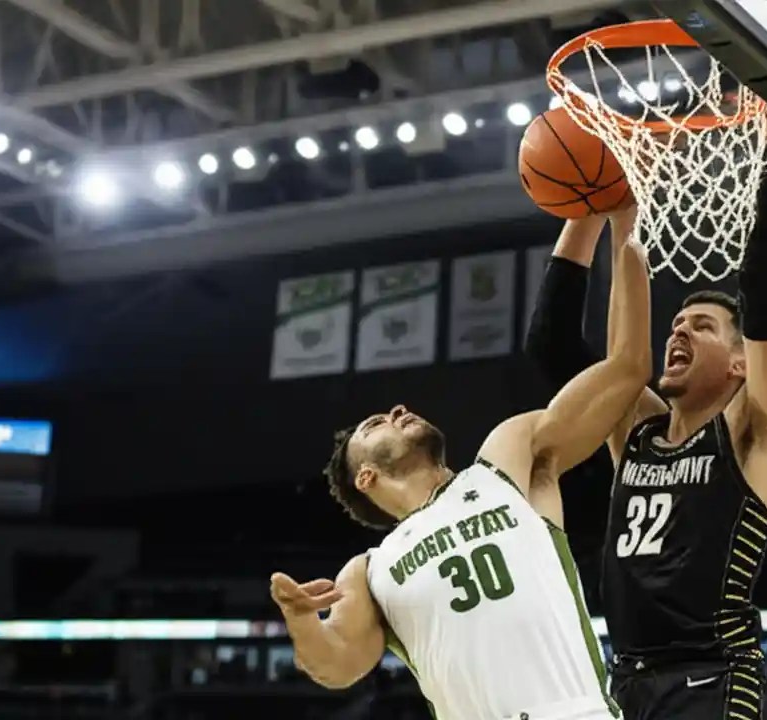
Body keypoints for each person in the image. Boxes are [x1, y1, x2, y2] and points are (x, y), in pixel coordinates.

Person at [270, 212, 649, 720]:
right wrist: (301, 619)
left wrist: (610, 213)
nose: (398, 410)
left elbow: (626, 370)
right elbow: (336, 666)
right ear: (367, 477)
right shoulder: (370, 570)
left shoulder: (504, 460)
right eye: (377, 423)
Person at [524, 109, 767, 720]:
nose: (678, 333)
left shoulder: (756, 428)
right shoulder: (638, 431)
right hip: (623, 679)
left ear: (738, 364)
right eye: (675, 324)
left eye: (700, 327)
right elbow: (555, 351)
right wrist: (594, 209)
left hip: (712, 674)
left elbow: (761, 281)